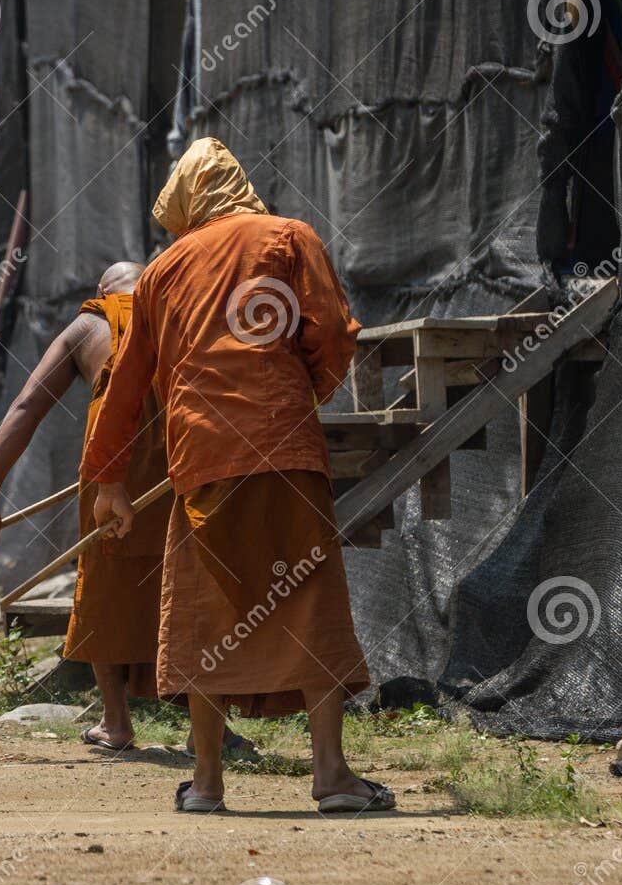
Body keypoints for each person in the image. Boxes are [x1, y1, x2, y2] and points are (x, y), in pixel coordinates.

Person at [84, 137, 393, 815]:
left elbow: (127, 382)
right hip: (286, 449)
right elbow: (335, 333)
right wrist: (302, 391)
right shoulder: (289, 236)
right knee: (310, 601)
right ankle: (333, 777)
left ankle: (206, 784)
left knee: (203, 614)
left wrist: (109, 481)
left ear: (191, 203)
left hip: (200, 457)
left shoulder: (163, 271)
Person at [0, 261, 252, 755]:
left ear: (102, 290)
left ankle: (116, 724)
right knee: (193, 585)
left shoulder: (88, 326)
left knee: (102, 586)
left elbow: (27, 407)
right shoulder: (183, 311)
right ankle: (213, 730)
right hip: (190, 462)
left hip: (111, 474)